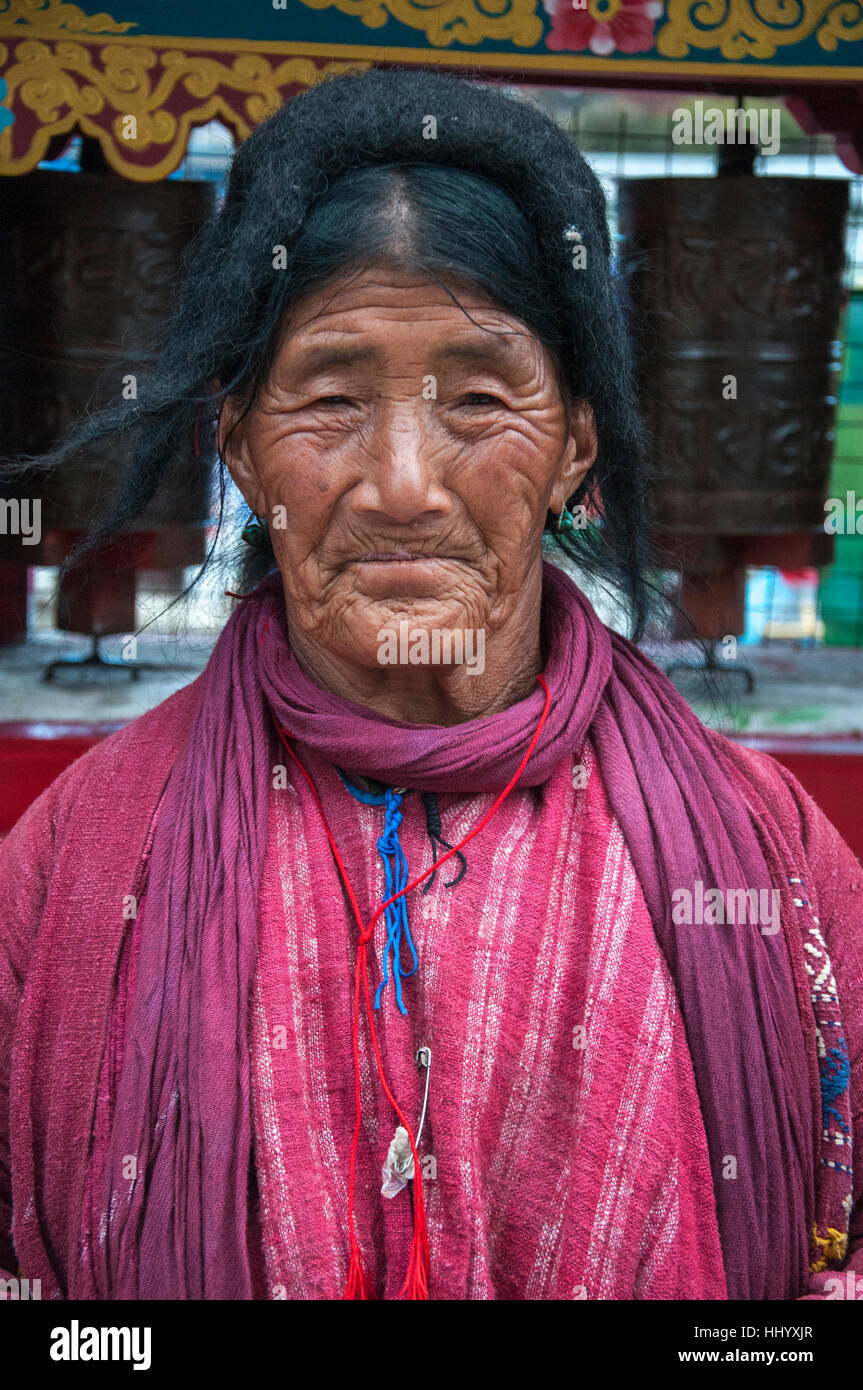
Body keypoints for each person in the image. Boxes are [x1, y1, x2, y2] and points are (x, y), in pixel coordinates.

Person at [1, 66, 860, 1302]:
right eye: (331, 397)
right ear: (237, 445)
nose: (403, 483)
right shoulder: (79, 857)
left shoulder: (764, 850)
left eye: (477, 397)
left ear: (575, 440)